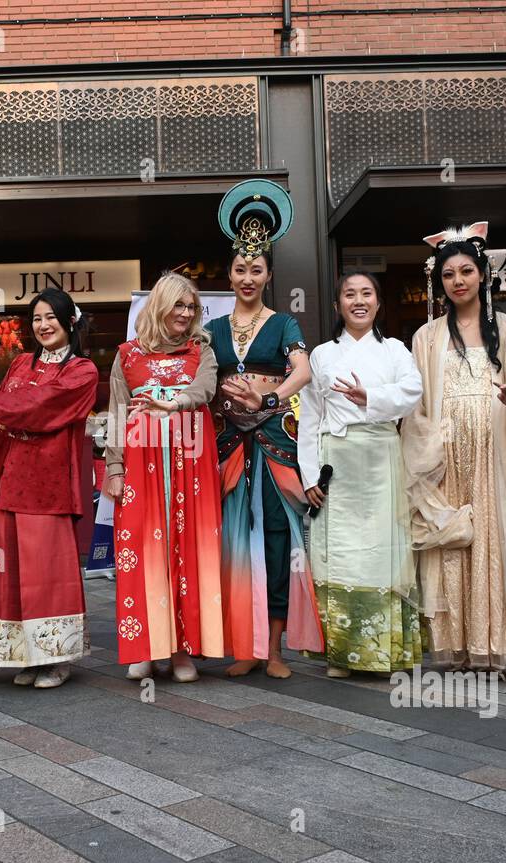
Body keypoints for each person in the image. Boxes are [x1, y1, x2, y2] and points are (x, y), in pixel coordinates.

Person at [402, 223, 506, 672]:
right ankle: (459, 644)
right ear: (440, 282)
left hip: (496, 452)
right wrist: (429, 450)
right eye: (449, 275)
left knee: (494, 541)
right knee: (452, 542)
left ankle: (496, 643)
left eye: (467, 271)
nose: (458, 281)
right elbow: (418, 403)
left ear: (483, 275)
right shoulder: (426, 337)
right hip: (445, 453)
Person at [206, 179, 322, 679]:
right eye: (239, 269)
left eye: (256, 269)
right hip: (230, 443)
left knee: (276, 537)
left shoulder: (284, 324)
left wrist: (269, 398)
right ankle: (244, 645)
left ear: (268, 274)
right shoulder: (211, 330)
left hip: (274, 443)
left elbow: (304, 370)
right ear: (228, 274)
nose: (247, 277)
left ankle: (274, 647)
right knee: (234, 541)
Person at [0, 288, 98, 690]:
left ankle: (56, 659)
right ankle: (26, 655)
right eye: (36, 318)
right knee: (12, 572)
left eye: (51, 317)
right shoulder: (20, 362)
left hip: (47, 485)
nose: (43, 325)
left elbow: (37, 407)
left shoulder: (82, 371)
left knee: (47, 571)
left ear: (69, 321)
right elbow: (11, 409)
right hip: (6, 480)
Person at [298, 270, 424, 677]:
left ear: (377, 302)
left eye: (366, 293)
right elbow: (310, 419)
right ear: (337, 305)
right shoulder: (321, 355)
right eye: (349, 294)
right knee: (339, 555)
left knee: (380, 552)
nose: (358, 300)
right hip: (336, 458)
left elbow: (411, 394)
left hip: (380, 457)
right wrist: (310, 474)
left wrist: (370, 397)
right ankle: (340, 653)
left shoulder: (396, 352)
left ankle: (380, 650)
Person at [103, 271, 224, 683]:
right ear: (160, 305)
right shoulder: (127, 355)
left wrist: (173, 404)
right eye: (179, 305)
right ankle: (146, 648)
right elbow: (117, 414)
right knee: (141, 553)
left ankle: (181, 652)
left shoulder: (201, 350)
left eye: (191, 307)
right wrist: (114, 467)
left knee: (186, 552)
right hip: (140, 466)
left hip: (190, 464)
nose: (186, 314)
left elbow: (206, 390)